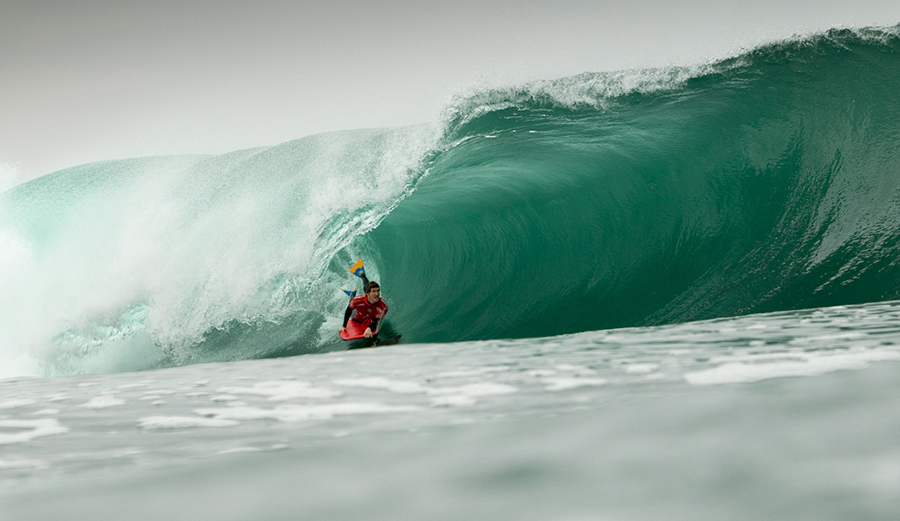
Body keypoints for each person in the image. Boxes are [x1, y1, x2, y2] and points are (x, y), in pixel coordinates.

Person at [340, 260, 388, 339]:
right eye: (374, 291)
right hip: (357, 317)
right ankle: (352, 293)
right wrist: (344, 326)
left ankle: (363, 276)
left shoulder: (382, 305)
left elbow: (377, 320)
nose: (377, 294)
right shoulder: (359, 300)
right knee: (353, 301)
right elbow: (349, 309)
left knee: (369, 289)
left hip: (369, 319)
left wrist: (369, 328)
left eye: (378, 291)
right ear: (367, 293)